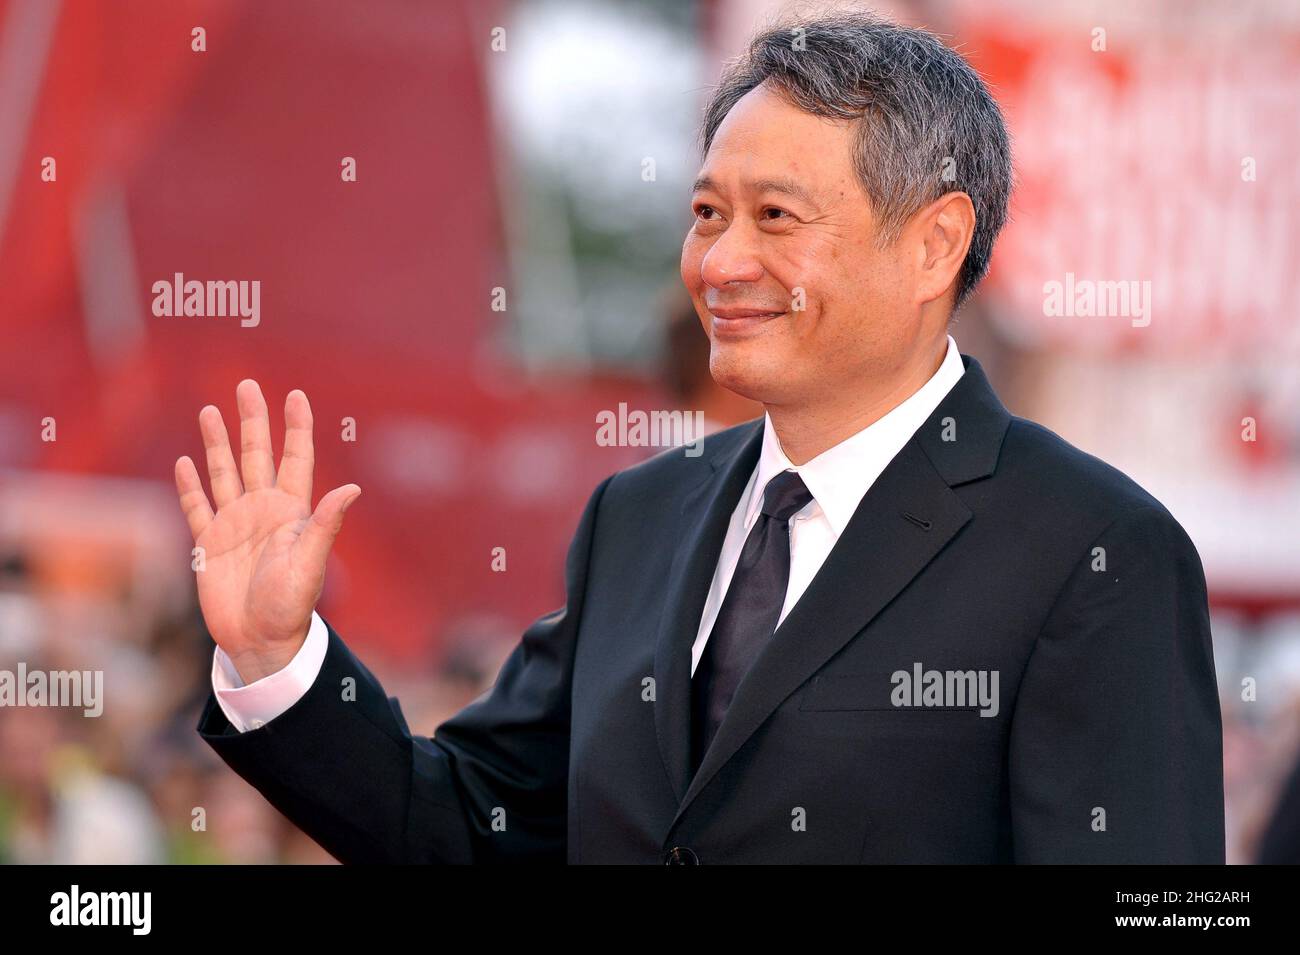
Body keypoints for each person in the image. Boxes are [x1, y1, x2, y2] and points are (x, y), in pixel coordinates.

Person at [177, 12, 1224, 863]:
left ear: (933, 244)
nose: (718, 262)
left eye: (775, 216)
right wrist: (278, 658)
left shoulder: (1091, 553)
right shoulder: (638, 517)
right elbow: (476, 823)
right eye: (706, 212)